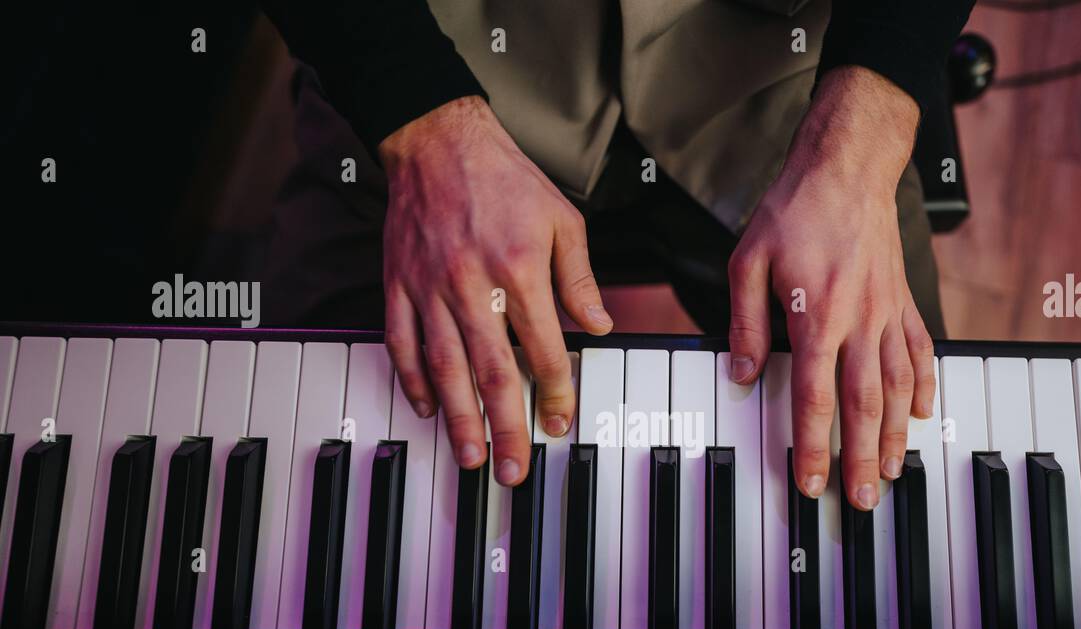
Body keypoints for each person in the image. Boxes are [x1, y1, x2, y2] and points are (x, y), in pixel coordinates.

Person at [261, 0, 975, 511]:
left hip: (785, 85)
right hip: (424, 76)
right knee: (309, 447)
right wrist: (415, 124)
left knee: (895, 450)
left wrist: (861, 140)